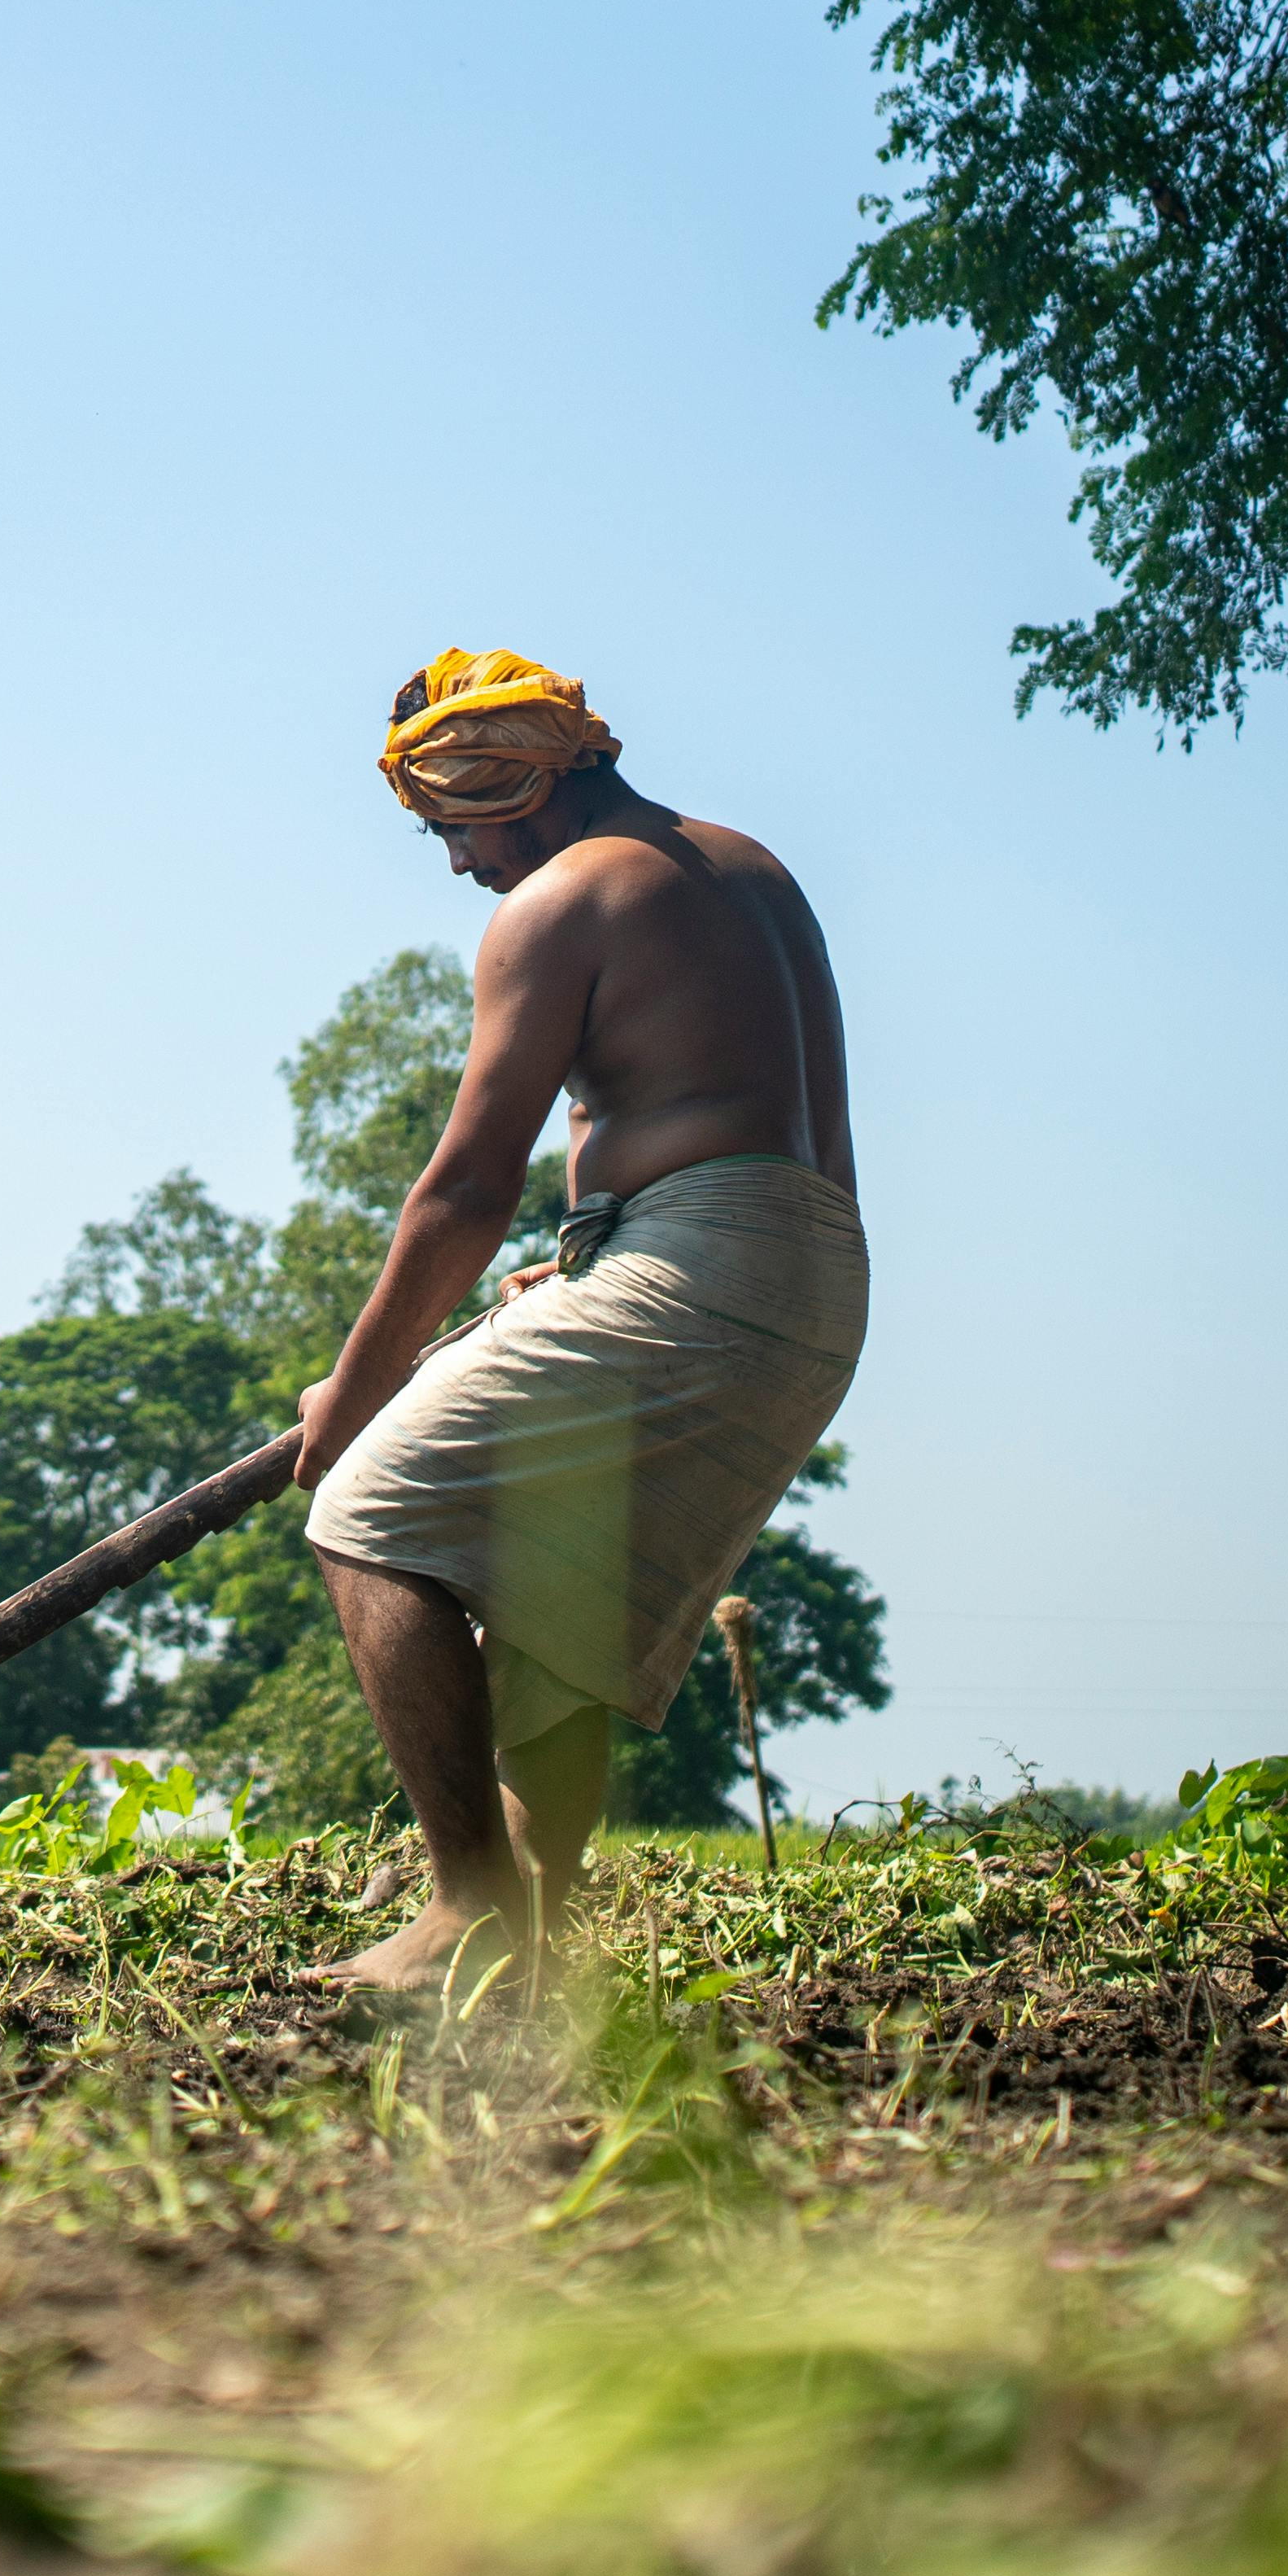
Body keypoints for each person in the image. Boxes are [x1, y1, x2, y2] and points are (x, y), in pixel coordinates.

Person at [290, 650, 867, 1992]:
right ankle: (530, 1951)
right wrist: (616, 1255)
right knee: (559, 1599)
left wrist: (354, 1388)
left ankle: (467, 1914)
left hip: (704, 1270)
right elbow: (782, 1130)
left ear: (515, 783)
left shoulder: (562, 902)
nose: (453, 864)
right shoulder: (749, 872)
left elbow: (464, 1190)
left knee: (372, 1517)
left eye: (453, 827)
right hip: (808, 1272)